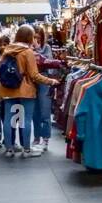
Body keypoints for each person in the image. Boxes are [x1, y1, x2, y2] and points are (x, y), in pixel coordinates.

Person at [0, 25, 59, 159]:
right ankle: (26, 150)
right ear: (28, 37)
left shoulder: (7, 50)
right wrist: (51, 81)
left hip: (7, 88)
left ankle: (9, 149)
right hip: (25, 89)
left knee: (9, 119)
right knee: (25, 120)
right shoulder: (27, 51)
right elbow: (34, 75)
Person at [32, 23, 63, 151]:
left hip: (44, 80)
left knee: (45, 111)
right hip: (31, 81)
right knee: (34, 112)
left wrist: (37, 50)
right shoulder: (27, 48)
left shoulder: (47, 47)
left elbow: (49, 64)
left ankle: (45, 139)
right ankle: (36, 137)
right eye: (34, 37)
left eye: (38, 37)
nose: (36, 40)